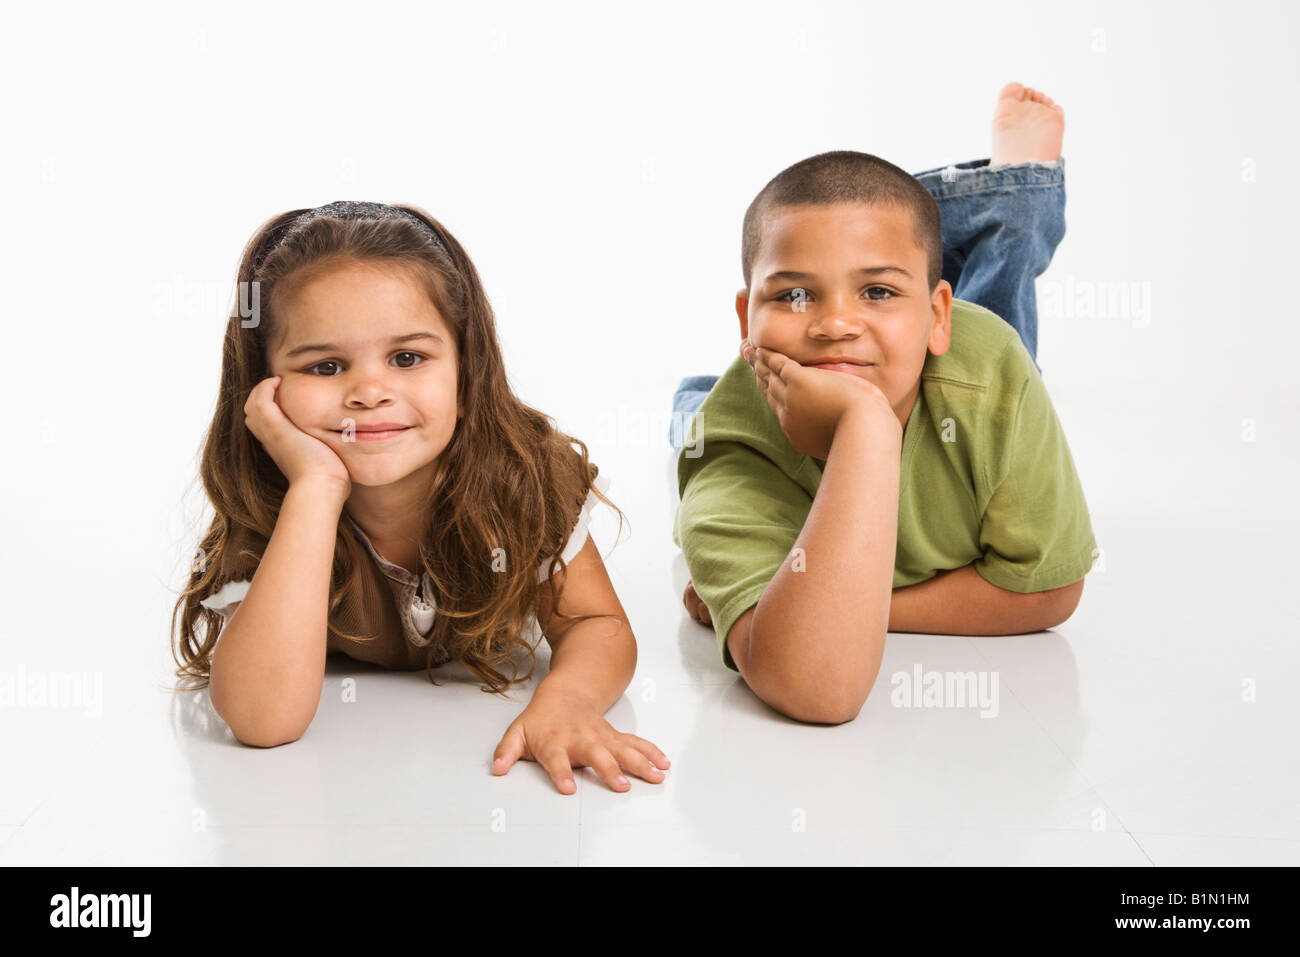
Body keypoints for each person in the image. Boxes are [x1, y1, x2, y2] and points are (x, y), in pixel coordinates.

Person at [171, 201, 669, 795]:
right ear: (263, 389)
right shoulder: (269, 504)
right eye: (326, 366)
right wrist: (315, 489)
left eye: (408, 358)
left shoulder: (526, 472)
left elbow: (594, 620)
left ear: (467, 375)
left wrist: (567, 700)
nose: (370, 392)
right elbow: (262, 720)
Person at [670, 83, 1097, 724]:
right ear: (745, 319)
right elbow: (818, 685)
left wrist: (852, 601)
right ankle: (692, 397)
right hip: (763, 403)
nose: (835, 325)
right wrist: (866, 422)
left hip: (952, 372)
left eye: (875, 291)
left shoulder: (985, 372)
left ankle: (1017, 195)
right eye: (791, 296)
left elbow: (1049, 590)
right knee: (689, 424)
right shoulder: (735, 453)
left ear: (937, 317)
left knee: (999, 328)